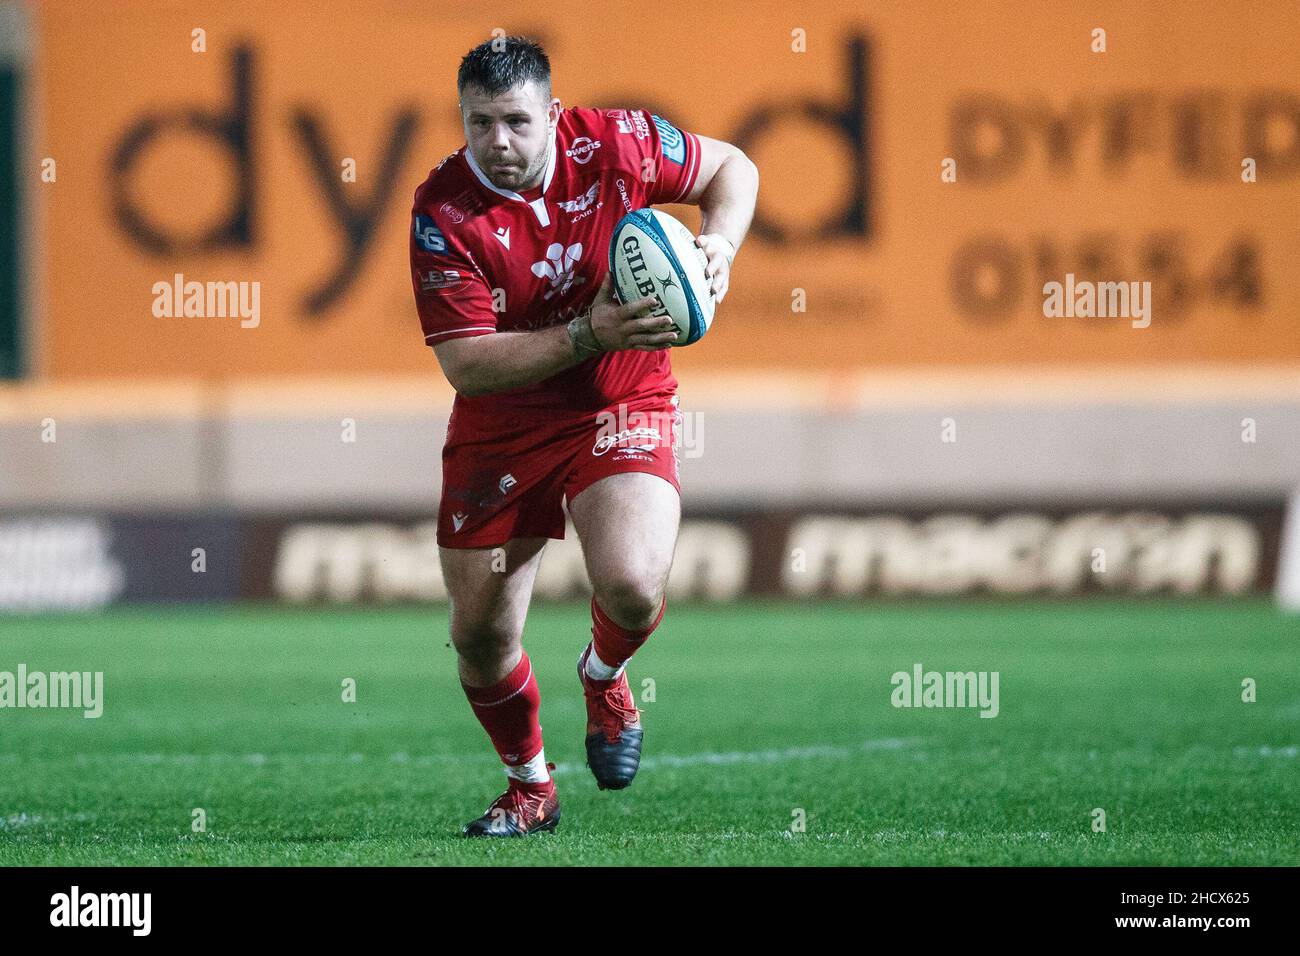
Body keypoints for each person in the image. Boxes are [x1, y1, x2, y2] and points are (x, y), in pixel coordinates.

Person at [409, 35, 759, 837]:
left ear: (554, 116)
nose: (499, 141)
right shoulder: (443, 212)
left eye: (517, 122)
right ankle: (530, 786)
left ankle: (604, 677)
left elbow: (731, 169)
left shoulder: (616, 143)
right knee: (480, 635)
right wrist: (584, 333)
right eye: (480, 124)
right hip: (505, 421)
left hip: (620, 395)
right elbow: (465, 365)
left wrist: (721, 247)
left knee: (634, 583)